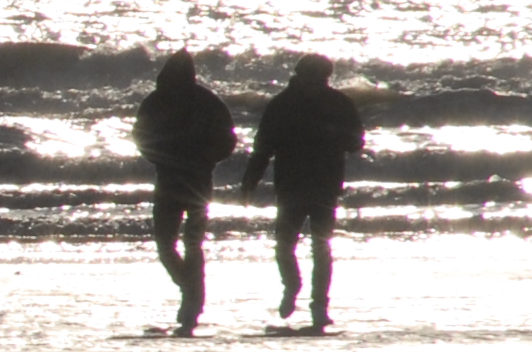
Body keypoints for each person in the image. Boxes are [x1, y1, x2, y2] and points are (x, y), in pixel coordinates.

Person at [243, 53, 366, 331]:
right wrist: (250, 180)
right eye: (311, 76)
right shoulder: (282, 104)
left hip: (325, 185)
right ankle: (292, 285)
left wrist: (333, 134)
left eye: (320, 78)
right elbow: (263, 147)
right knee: (285, 244)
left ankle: (319, 307)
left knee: (321, 247)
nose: (315, 82)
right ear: (299, 75)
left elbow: (356, 142)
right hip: (292, 185)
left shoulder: (338, 103)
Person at [130, 51, 238, 331]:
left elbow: (228, 139)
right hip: (177, 179)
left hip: (190, 180)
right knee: (173, 244)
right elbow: (141, 136)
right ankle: (191, 292)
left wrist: (203, 160)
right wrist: (163, 159)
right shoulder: (163, 101)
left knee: (183, 243)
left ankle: (191, 300)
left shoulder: (197, 101)